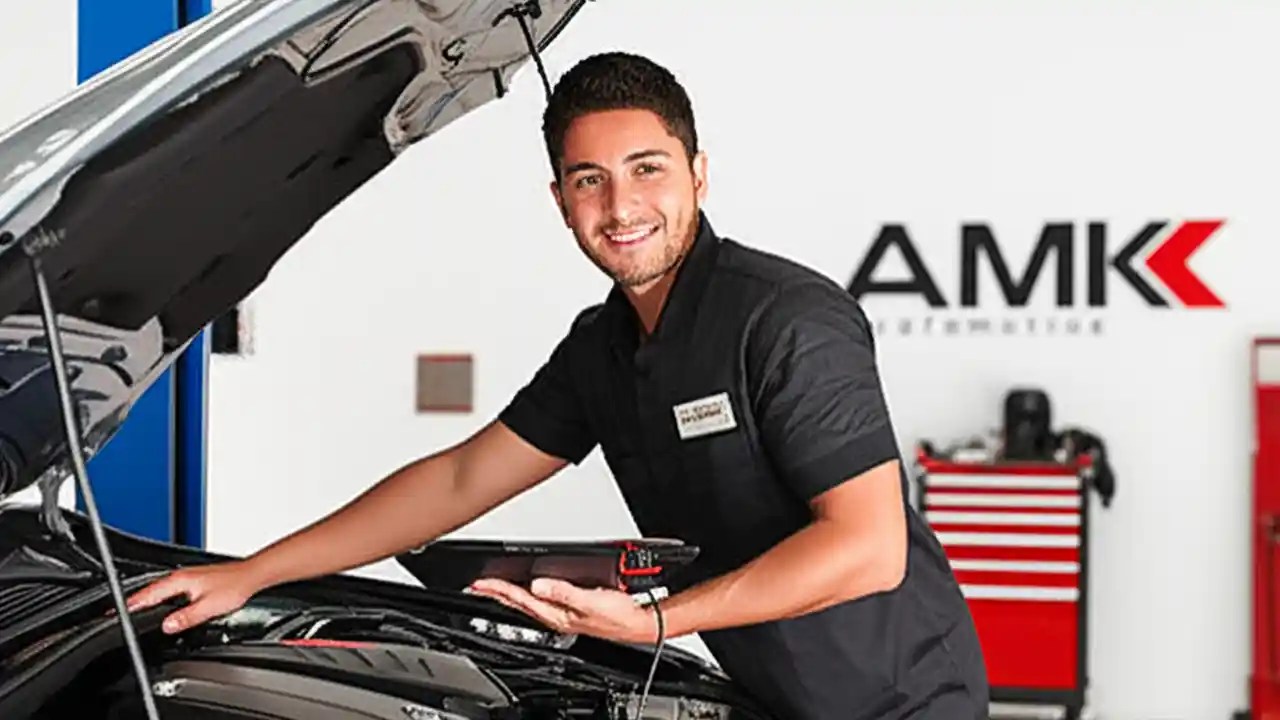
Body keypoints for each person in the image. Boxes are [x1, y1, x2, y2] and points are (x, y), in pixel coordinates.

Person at [127, 51, 988, 719]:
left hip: (901, 701)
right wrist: (254, 572)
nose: (621, 206)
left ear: (699, 173)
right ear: (559, 198)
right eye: (590, 180)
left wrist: (659, 621)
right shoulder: (601, 349)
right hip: (767, 696)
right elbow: (461, 479)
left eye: (648, 168)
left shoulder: (787, 320)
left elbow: (868, 548)